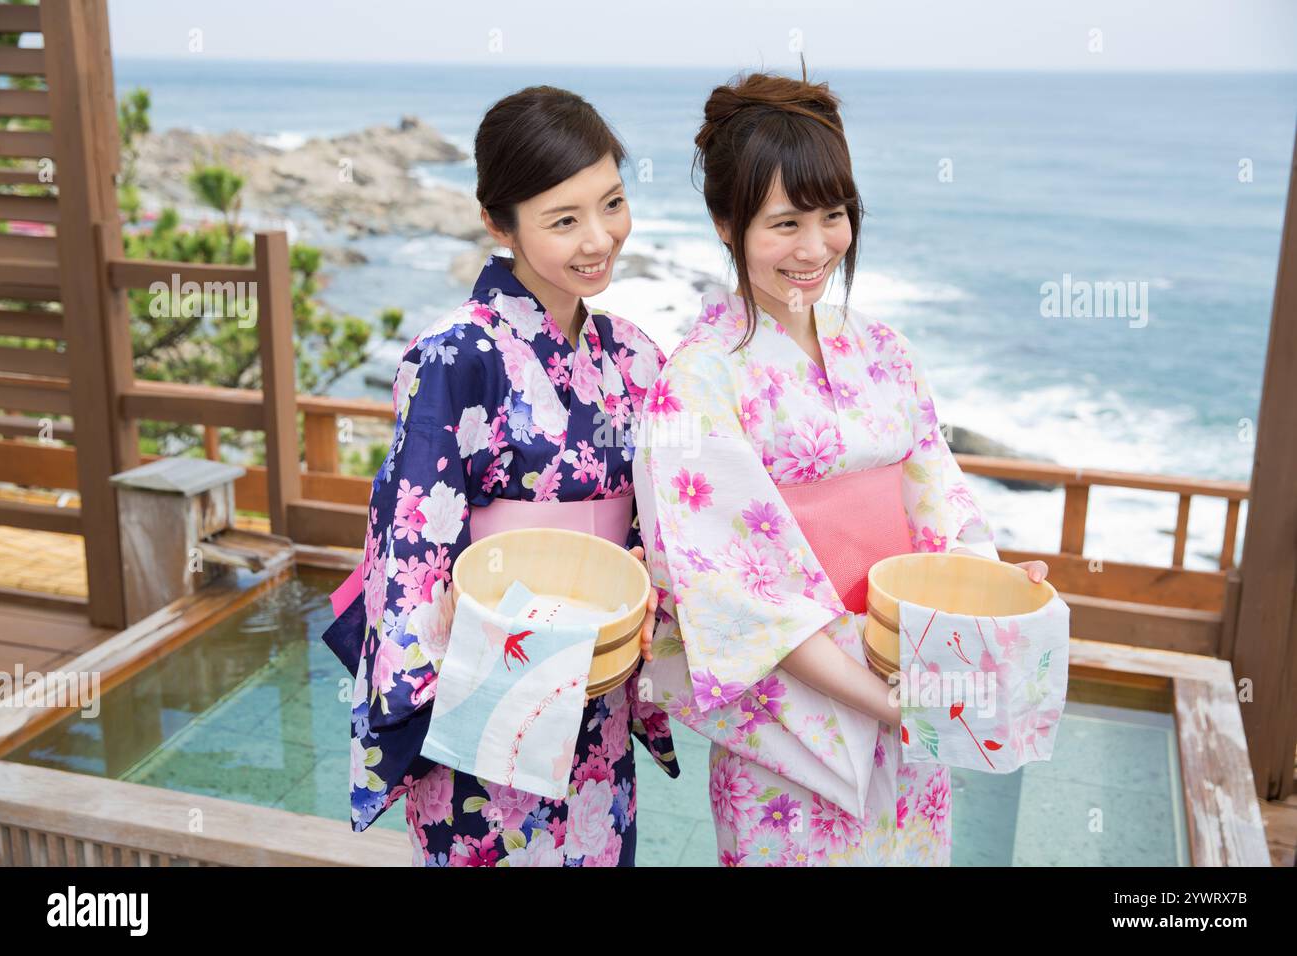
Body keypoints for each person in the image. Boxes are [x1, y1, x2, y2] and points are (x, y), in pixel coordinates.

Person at [634, 66, 1049, 866]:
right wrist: (890, 704)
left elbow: (942, 504)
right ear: (726, 223)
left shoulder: (884, 350)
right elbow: (740, 596)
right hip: (802, 719)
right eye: (785, 224)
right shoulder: (699, 379)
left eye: (833, 217)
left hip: (907, 671)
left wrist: (982, 598)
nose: (816, 248)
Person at [321, 86, 679, 866]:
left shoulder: (637, 356)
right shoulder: (454, 356)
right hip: (486, 685)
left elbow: (667, 521)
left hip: (599, 685)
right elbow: (409, 556)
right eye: (563, 219)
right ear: (496, 221)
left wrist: (656, 582)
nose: (599, 238)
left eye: (612, 204)